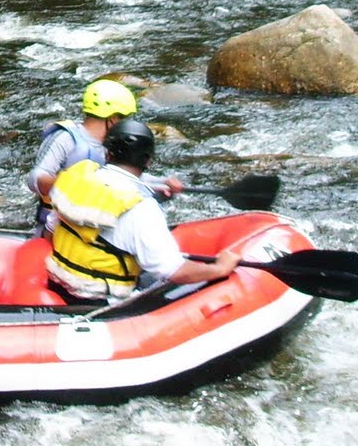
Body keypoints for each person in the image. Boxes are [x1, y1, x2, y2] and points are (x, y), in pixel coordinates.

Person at [45, 119, 242, 302]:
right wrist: (220, 268)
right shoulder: (142, 208)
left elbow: (50, 232)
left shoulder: (76, 179)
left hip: (59, 285)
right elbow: (173, 271)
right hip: (99, 302)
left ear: (107, 153)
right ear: (147, 161)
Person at [26, 80, 182, 235]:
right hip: (58, 225)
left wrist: (163, 184)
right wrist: (76, 182)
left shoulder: (115, 143)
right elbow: (35, 180)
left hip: (98, 225)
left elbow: (127, 177)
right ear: (113, 118)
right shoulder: (66, 138)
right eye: (125, 118)